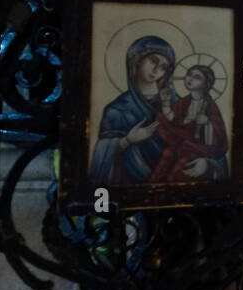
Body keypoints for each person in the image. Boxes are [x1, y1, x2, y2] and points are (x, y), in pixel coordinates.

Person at [91, 36, 213, 184]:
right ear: (137, 60)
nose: (156, 70)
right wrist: (127, 141)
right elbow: (100, 157)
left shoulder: (179, 103)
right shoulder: (116, 110)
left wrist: (206, 163)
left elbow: (207, 142)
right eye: (153, 61)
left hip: (178, 181)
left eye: (163, 67)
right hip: (132, 188)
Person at [148, 64, 229, 182]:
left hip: (197, 149)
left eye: (197, 77)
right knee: (167, 155)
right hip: (181, 144)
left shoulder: (209, 106)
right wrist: (165, 103)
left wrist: (207, 122)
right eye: (189, 75)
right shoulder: (184, 102)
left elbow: (218, 131)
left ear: (206, 83)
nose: (190, 79)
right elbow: (172, 119)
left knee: (179, 171)